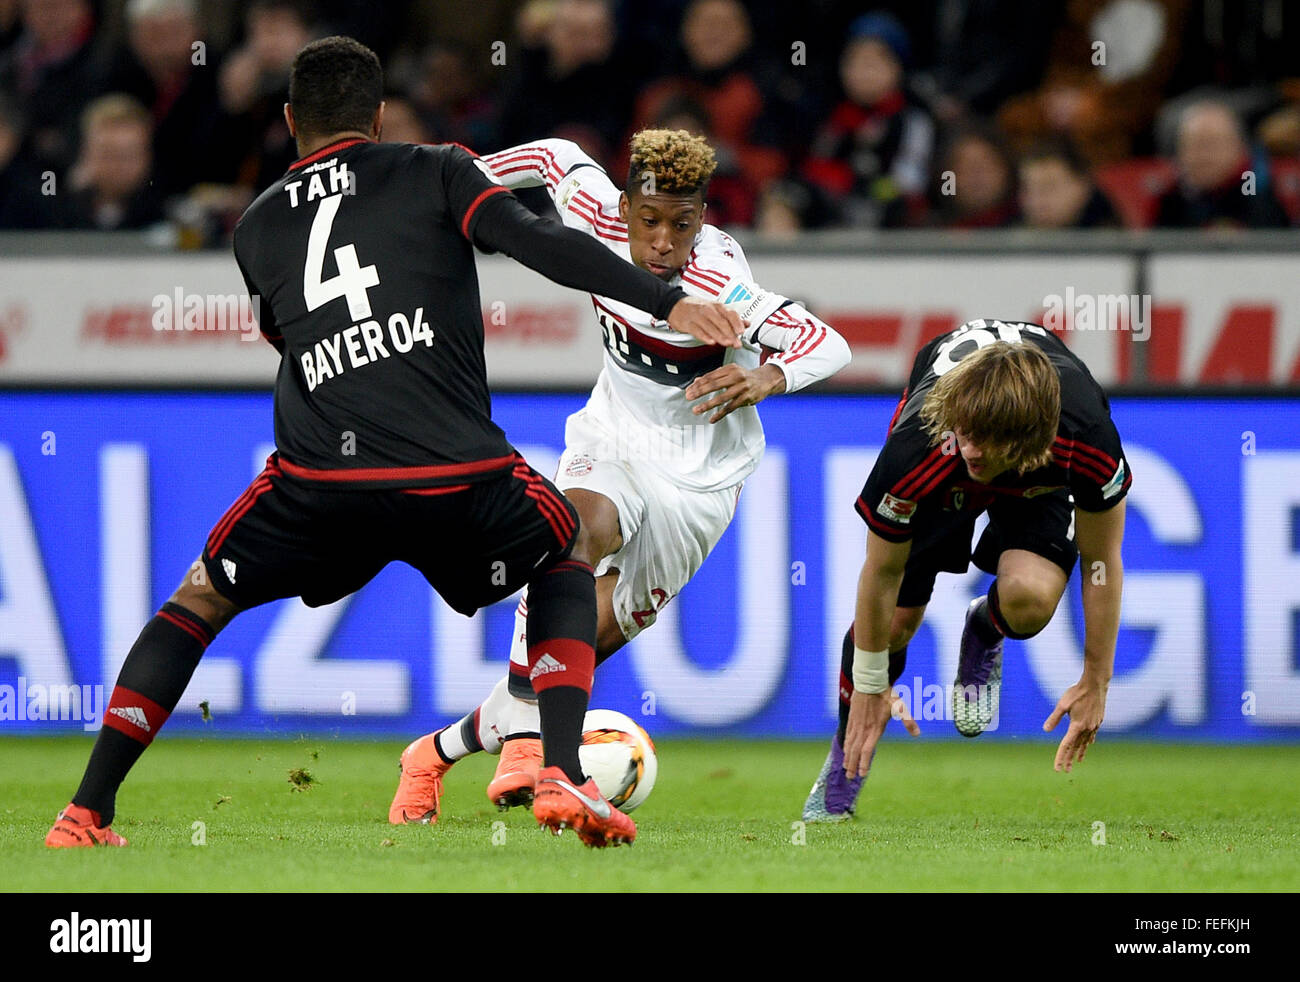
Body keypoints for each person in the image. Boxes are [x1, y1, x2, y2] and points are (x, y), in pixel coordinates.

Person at [44, 36, 743, 851]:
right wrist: (665, 300)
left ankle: (85, 812)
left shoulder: (256, 224)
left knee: (198, 599)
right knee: (562, 549)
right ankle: (558, 769)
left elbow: (292, 339)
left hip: (317, 489)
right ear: (378, 117)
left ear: (288, 121)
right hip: (458, 476)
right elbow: (539, 244)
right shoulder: (436, 168)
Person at [388, 129, 851, 825]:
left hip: (697, 480)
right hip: (612, 437)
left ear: (703, 218)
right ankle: (545, 763)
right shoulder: (595, 212)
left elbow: (828, 341)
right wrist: (455, 180)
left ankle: (437, 752)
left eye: (682, 224)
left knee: (577, 645)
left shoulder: (719, 279)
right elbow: (552, 157)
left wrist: (766, 374)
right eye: (650, 219)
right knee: (571, 539)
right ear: (627, 204)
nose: (663, 240)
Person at [803, 320, 1131, 822]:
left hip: (1032, 471)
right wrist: (870, 684)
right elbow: (881, 572)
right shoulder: (926, 442)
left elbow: (1102, 563)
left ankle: (985, 628)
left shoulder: (1086, 437)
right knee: (893, 628)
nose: (972, 449)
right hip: (947, 467)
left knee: (1031, 600)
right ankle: (847, 760)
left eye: (985, 438)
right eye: (967, 432)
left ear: (1031, 439)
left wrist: (1096, 679)